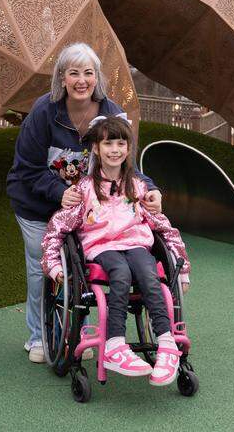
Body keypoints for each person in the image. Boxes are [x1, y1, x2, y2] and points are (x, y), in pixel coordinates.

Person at [6, 42, 163, 363]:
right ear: (61, 78)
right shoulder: (43, 113)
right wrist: (57, 192)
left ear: (97, 78)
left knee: (79, 265)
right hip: (36, 202)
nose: (81, 80)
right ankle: (39, 336)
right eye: (73, 73)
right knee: (43, 268)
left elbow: (127, 164)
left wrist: (150, 189)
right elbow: (26, 169)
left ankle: (80, 330)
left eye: (88, 73)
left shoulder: (112, 113)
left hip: (88, 206)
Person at [42, 115, 190, 387]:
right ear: (96, 149)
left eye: (121, 143)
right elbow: (58, 227)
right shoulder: (84, 188)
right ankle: (114, 344)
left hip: (136, 243)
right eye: (108, 143)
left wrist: (182, 269)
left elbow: (164, 227)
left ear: (128, 148)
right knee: (120, 273)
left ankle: (167, 343)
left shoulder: (138, 186)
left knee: (150, 275)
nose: (115, 150)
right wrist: (53, 265)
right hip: (102, 247)